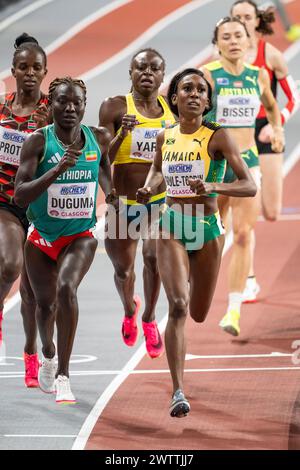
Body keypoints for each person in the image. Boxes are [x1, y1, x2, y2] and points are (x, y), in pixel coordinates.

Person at [136, 68, 257, 417]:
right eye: (186, 88)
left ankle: (189, 286)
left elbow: (249, 186)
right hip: (172, 225)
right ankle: (177, 391)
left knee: (200, 313)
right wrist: (149, 187)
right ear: (174, 97)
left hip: (207, 230)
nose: (193, 94)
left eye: (200, 90)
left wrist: (214, 187)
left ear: (207, 101)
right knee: (178, 305)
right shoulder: (165, 136)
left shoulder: (218, 137)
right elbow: (158, 171)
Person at [15, 76, 116, 404]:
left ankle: (64, 376)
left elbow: (102, 168)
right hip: (42, 239)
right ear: (51, 104)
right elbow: (19, 195)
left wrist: (111, 192)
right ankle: (47, 352)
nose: (70, 108)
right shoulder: (38, 143)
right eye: (62, 101)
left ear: (85, 105)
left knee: (66, 288)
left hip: (80, 236)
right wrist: (56, 170)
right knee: (45, 306)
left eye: (76, 103)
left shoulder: (97, 138)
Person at [201, 17, 284, 336]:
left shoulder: (258, 74)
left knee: (245, 235)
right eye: (227, 36)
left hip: (247, 163)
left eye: (239, 36)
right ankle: (199, 287)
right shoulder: (208, 74)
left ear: (249, 41)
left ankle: (233, 309)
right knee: (213, 234)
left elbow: (272, 107)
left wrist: (275, 130)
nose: (234, 41)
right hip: (216, 164)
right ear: (217, 43)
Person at [99, 49, 175, 359]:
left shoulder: (172, 112)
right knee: (123, 271)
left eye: (154, 69)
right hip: (122, 202)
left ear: (162, 75)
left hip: (158, 200)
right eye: (140, 67)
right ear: (130, 72)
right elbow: (102, 160)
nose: (147, 73)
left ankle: (149, 318)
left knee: (153, 257)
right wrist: (122, 134)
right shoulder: (115, 107)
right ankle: (130, 310)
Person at [230, 0, 299, 302]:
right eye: (236, 18)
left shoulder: (271, 56)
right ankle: (249, 278)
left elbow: (292, 100)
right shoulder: (225, 56)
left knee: (270, 211)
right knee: (246, 218)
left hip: (264, 133)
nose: (242, 22)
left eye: (247, 17)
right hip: (236, 139)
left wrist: (276, 123)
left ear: (258, 21)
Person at [0, 33, 49, 387]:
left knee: (36, 295)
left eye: (36, 68)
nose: (29, 73)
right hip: (6, 202)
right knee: (9, 264)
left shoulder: (53, 110)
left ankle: (32, 353)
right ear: (13, 70)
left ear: (45, 72)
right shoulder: (1, 110)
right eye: (23, 67)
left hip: (43, 209)